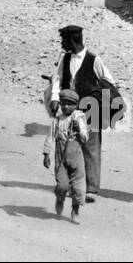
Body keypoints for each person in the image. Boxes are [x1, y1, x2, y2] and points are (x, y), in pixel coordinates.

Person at [52, 24, 120, 202]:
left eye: (63, 40)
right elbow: (58, 79)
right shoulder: (64, 59)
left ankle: (91, 189)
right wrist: (54, 98)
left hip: (91, 112)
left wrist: (98, 100)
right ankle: (74, 185)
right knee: (70, 148)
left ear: (72, 40)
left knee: (91, 148)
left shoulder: (94, 60)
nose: (61, 44)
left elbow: (109, 82)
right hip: (70, 112)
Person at [42, 88, 89, 223]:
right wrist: (46, 153)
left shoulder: (79, 117)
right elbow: (50, 136)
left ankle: (75, 210)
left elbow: (85, 138)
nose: (66, 106)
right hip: (60, 155)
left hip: (76, 155)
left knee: (78, 186)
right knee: (62, 185)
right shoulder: (57, 120)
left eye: (70, 104)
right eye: (63, 104)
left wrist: (79, 130)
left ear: (75, 105)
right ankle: (60, 197)